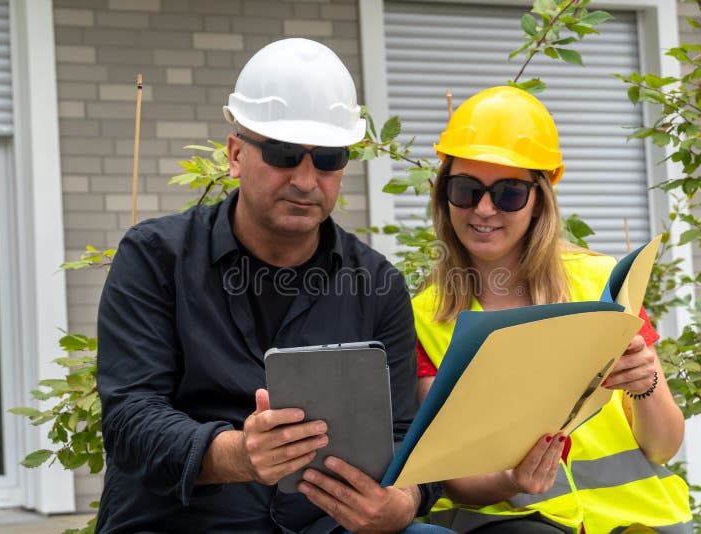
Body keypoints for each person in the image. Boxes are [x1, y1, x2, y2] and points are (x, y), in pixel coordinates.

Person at [95, 38, 450, 534]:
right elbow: (130, 419)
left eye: (328, 158)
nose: (306, 180)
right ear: (236, 155)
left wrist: (403, 502)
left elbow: (407, 435)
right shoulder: (156, 258)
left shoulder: (376, 284)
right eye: (284, 153)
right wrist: (236, 455)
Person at [412, 86, 693, 533]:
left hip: (639, 520)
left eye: (508, 193)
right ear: (444, 196)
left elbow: (663, 448)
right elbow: (453, 478)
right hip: (510, 522)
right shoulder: (423, 318)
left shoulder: (602, 284)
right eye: (465, 189)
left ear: (539, 199)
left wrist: (647, 385)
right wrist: (510, 481)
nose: (483, 209)